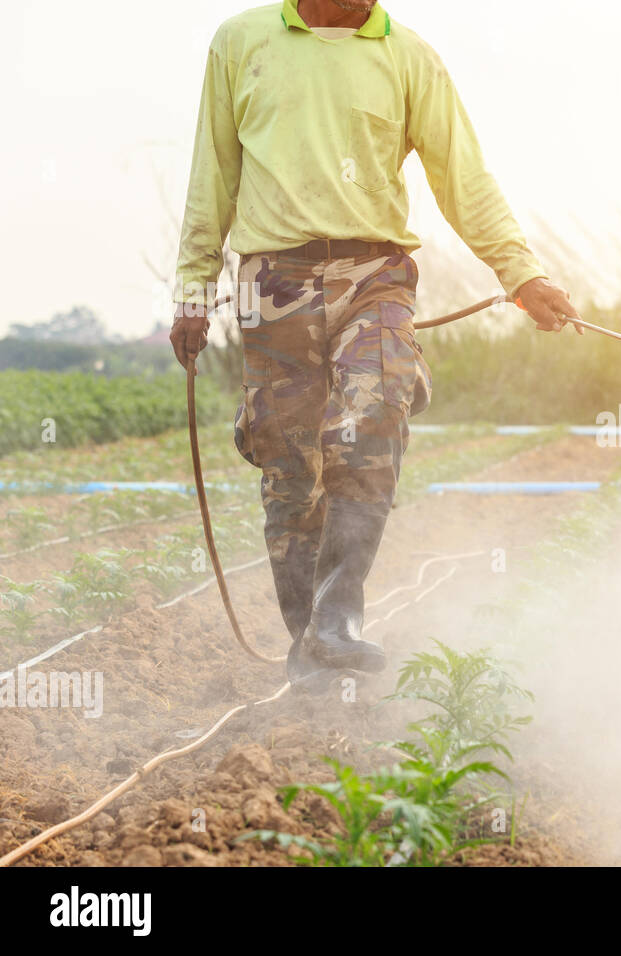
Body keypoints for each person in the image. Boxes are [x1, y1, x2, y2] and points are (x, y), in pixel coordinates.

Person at [169, 0, 580, 686]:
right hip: (272, 282)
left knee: (374, 408)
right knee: (290, 471)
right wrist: (191, 289)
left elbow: (463, 176)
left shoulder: (410, 56)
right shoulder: (240, 43)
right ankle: (311, 646)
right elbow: (212, 174)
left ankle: (338, 617)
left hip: (375, 277)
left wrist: (521, 272)